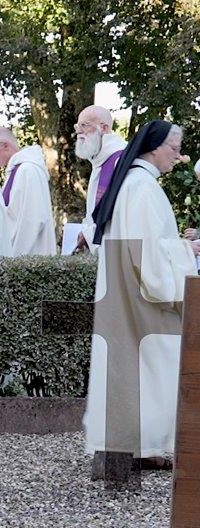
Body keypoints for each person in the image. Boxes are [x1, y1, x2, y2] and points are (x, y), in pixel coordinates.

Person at [85, 120, 197, 464]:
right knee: (159, 367)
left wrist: (178, 247)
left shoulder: (133, 183)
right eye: (174, 149)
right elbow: (147, 254)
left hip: (128, 293)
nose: (177, 156)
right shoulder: (143, 187)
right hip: (144, 298)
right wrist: (188, 251)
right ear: (154, 147)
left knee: (134, 372)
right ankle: (147, 447)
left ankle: (137, 448)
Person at [0, 127, 56, 256]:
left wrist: (14, 257)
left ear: (5, 146)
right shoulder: (17, 170)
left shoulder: (28, 170)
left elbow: (33, 219)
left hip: (30, 254)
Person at [74, 105, 128, 252]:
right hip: (105, 248)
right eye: (77, 126)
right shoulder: (100, 159)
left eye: (84, 125)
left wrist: (89, 234)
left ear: (104, 128)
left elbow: (119, 211)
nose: (78, 131)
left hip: (120, 247)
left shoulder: (120, 161)